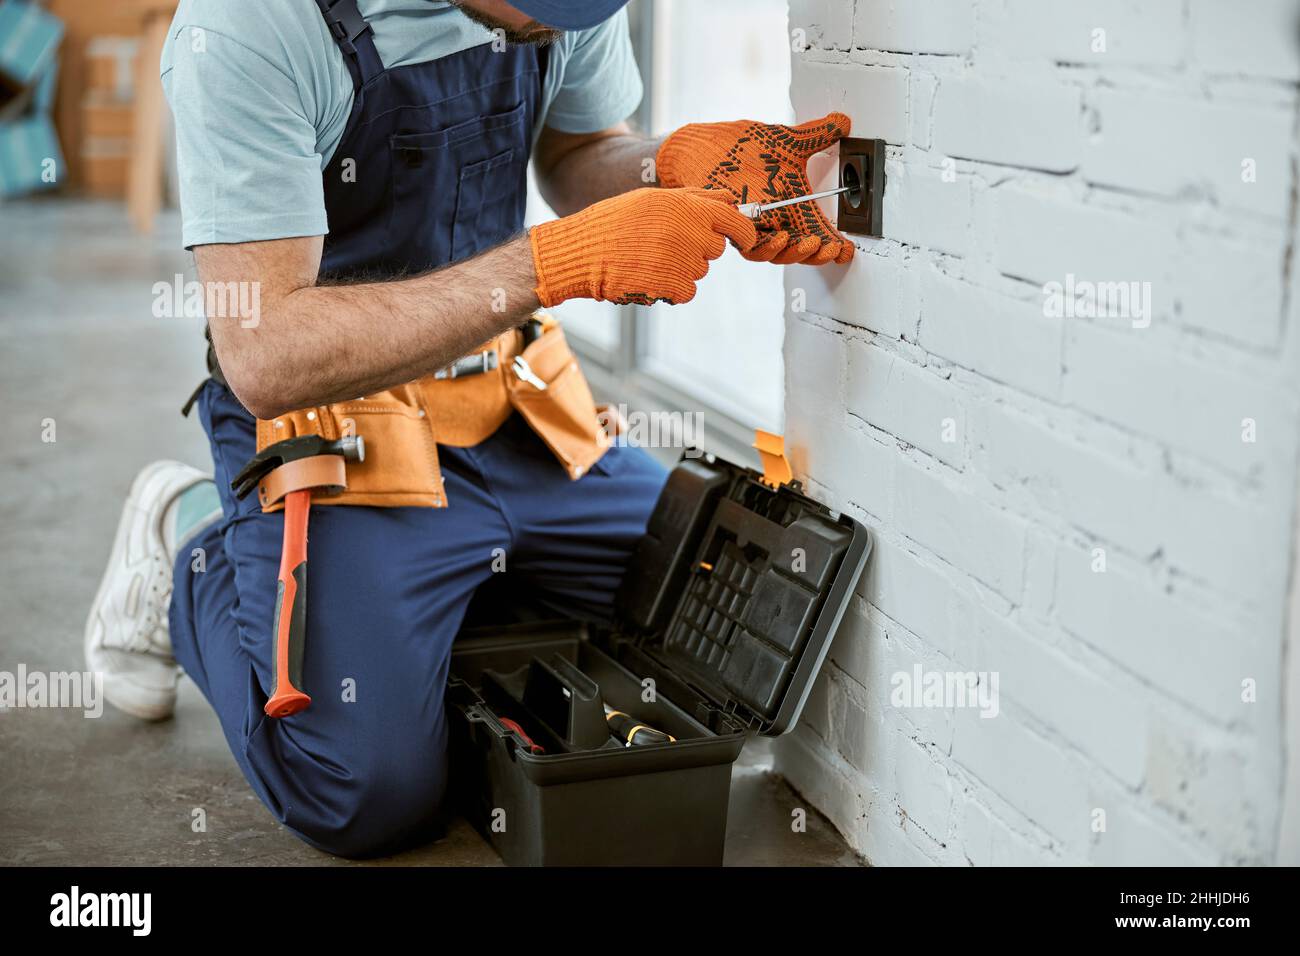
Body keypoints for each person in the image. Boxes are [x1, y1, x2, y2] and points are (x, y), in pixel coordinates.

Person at [85, 0, 854, 857]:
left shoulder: (566, 7)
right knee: (364, 789)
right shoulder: (250, 27)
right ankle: (189, 536)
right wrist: (551, 264)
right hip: (334, 428)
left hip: (510, 402)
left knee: (710, 598)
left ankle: (436, 589)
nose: (566, 16)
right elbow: (265, 351)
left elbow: (576, 150)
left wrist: (668, 167)